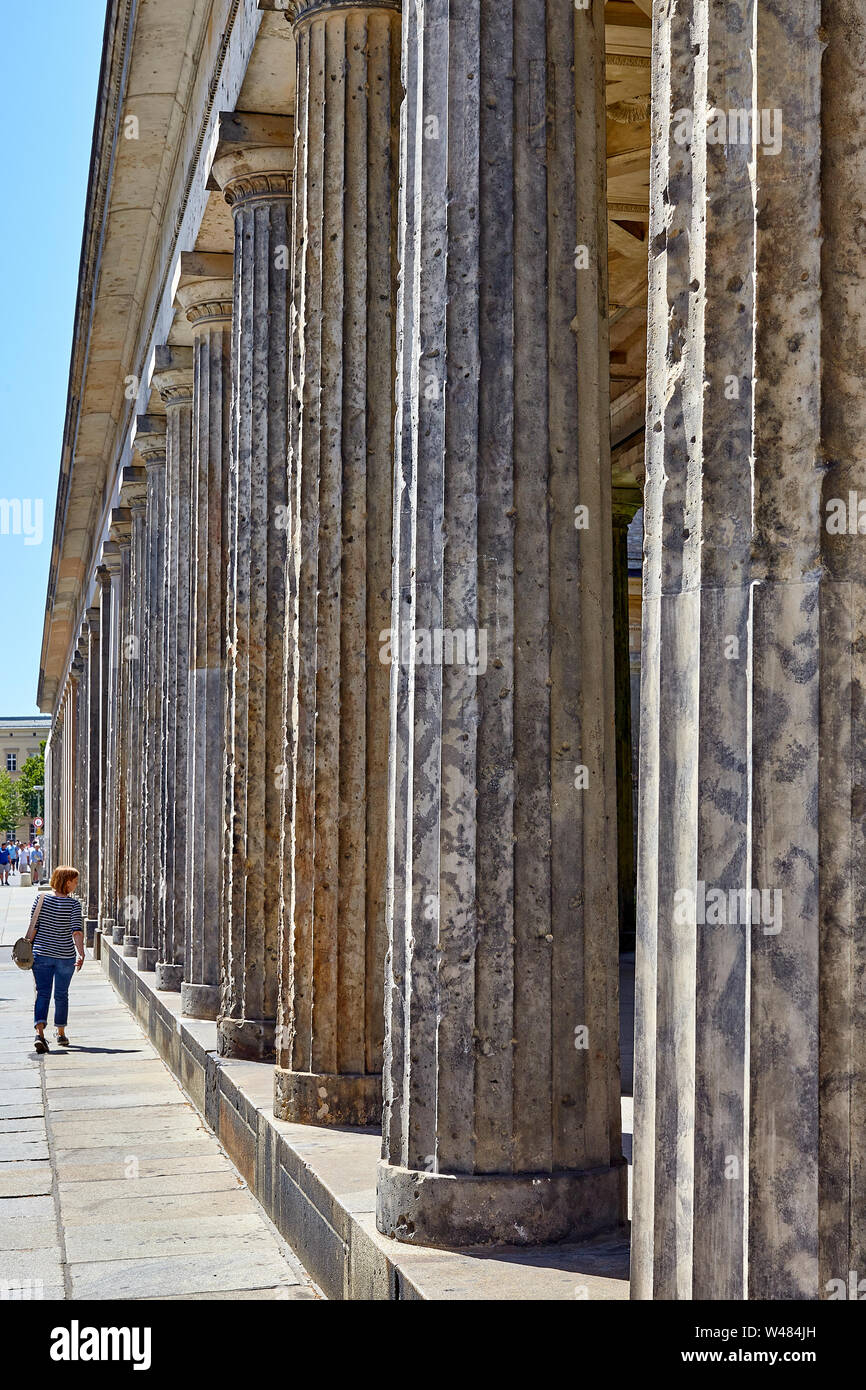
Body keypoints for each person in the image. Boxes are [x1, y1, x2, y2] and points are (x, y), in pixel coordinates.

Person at [25, 866, 84, 1053]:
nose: (76, 885)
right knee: (61, 994)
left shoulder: (41, 899)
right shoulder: (73, 905)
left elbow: (33, 927)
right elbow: (76, 931)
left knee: (42, 993)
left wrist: (27, 946)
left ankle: (39, 1034)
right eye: (75, 881)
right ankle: (60, 1033)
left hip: (41, 954)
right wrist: (81, 952)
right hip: (65, 956)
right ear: (67, 882)